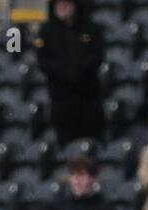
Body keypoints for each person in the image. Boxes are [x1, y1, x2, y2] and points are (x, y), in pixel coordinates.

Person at [34, 0, 105, 147]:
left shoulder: (91, 28)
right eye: (58, 3)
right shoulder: (46, 31)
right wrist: (64, 71)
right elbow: (43, 61)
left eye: (66, 3)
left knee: (92, 140)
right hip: (61, 99)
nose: (61, 7)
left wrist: (78, 70)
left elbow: (97, 56)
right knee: (66, 142)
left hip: (88, 98)